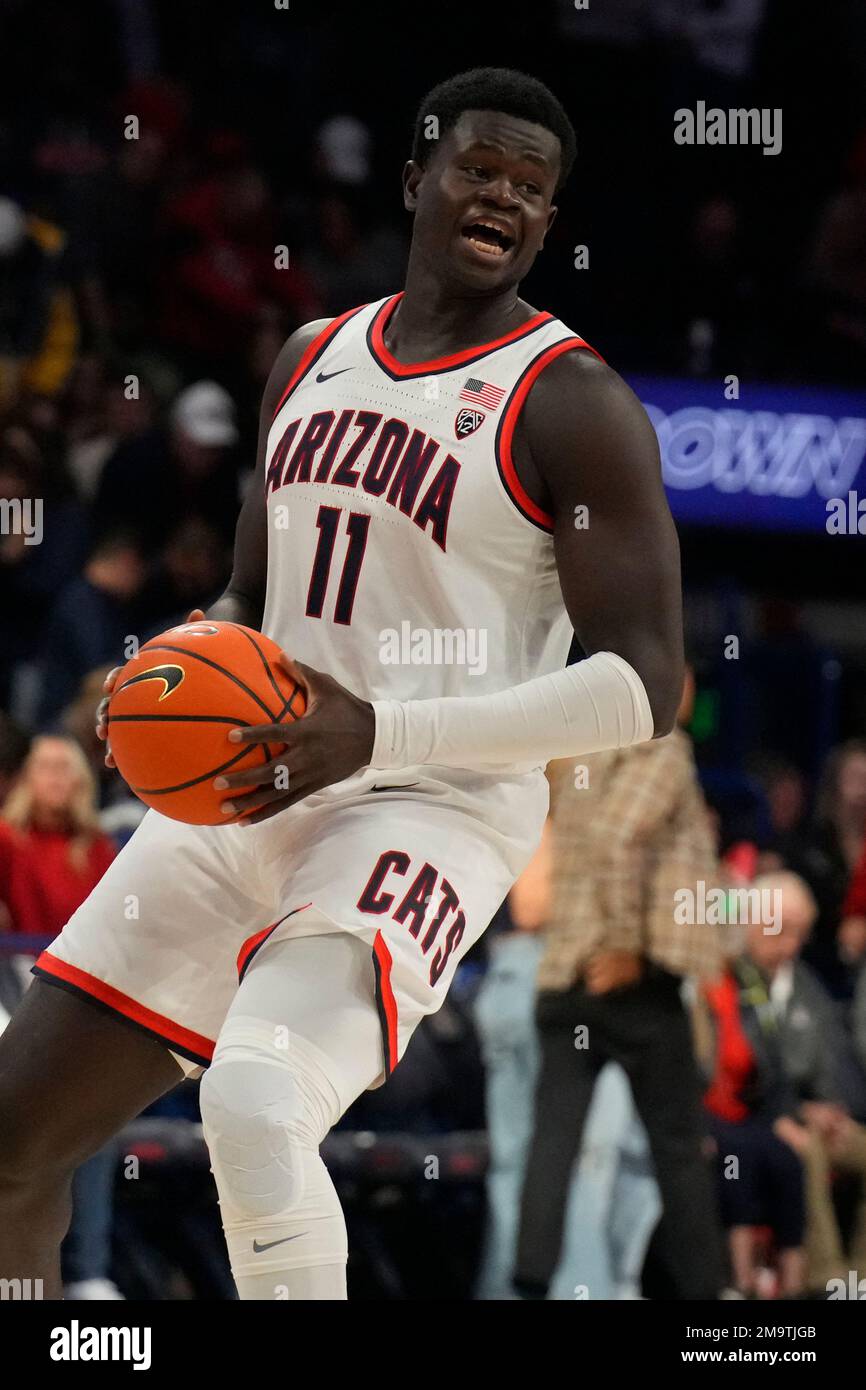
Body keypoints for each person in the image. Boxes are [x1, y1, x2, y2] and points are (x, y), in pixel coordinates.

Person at [0, 68, 684, 1302]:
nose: (503, 198)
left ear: (545, 225)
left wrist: (378, 729)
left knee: (255, 1101)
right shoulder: (310, 354)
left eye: (532, 190)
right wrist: (165, 675)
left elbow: (645, 685)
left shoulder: (574, 404)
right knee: (9, 1142)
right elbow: (249, 603)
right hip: (251, 780)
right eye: (481, 168)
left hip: (430, 800)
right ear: (417, 175)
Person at [513, 670, 725, 1301]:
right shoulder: (661, 748)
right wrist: (628, 947)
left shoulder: (580, 753)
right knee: (680, 1151)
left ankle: (528, 1282)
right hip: (633, 987)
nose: (685, 687)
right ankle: (710, 1307)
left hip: (563, 976)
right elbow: (617, 839)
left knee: (551, 1143)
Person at [1, 734, 121, 1299]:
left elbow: (118, 930)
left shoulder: (95, 845)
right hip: (13, 975)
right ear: (26, 777)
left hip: (75, 984)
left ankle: (87, 1272)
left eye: (64, 768)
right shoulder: (4, 837)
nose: (55, 778)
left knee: (96, 1119)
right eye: (44, 767)